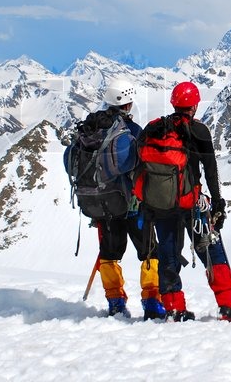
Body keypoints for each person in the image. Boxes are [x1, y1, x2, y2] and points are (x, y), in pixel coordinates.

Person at [137, 81, 231, 323]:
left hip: (161, 204)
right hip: (192, 204)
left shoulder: (153, 129)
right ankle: (228, 306)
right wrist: (218, 202)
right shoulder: (199, 131)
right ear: (195, 105)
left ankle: (174, 308)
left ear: (174, 103)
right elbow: (210, 170)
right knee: (212, 249)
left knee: (168, 253)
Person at [87, 78, 166, 320]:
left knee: (110, 254)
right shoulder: (132, 132)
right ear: (128, 104)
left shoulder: (92, 128)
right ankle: (152, 301)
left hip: (104, 205)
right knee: (150, 252)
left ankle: (115, 302)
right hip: (133, 204)